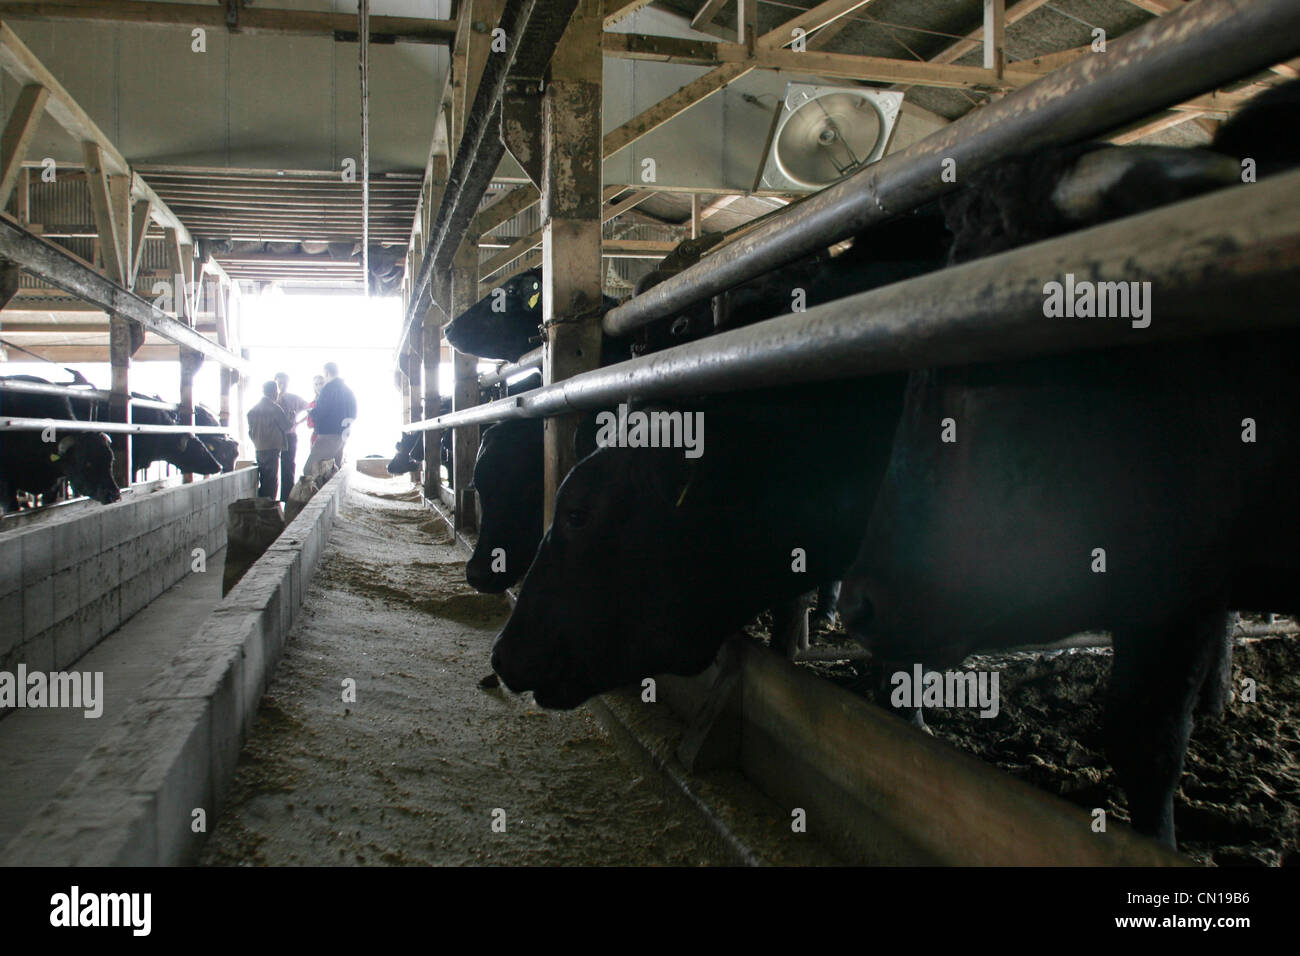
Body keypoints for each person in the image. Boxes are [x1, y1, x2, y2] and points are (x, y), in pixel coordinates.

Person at [301, 362, 357, 475]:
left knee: (309, 470)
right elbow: (354, 413)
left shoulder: (328, 389)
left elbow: (322, 411)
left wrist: (311, 412)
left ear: (326, 372)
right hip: (343, 433)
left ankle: (315, 493)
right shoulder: (347, 390)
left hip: (328, 434)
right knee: (334, 469)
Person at [247, 380, 291, 499]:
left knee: (264, 479)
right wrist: (291, 416)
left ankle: (262, 504)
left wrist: (258, 441)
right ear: (274, 392)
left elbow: (250, 432)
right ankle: (269, 507)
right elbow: (286, 426)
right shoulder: (275, 408)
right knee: (271, 481)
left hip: (259, 448)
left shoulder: (253, 409)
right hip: (272, 448)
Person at [273, 372, 310, 503]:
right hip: (274, 437)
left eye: (284, 382)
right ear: (276, 383)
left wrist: (299, 422)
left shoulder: (294, 398)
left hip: (289, 436)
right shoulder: (272, 399)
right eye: (279, 383)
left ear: (288, 383)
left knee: (288, 467)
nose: (282, 385)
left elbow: (311, 407)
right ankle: (273, 500)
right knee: (273, 468)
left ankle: (287, 499)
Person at [306, 374, 325, 446]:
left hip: (330, 438)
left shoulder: (333, 401)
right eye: (316, 384)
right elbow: (309, 425)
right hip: (316, 437)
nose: (319, 387)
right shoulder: (311, 404)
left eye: (321, 383)